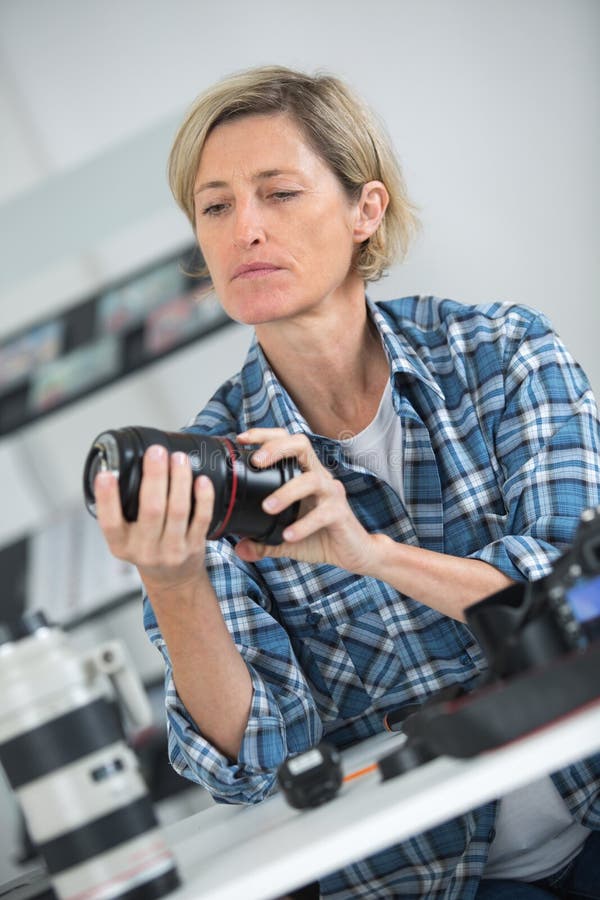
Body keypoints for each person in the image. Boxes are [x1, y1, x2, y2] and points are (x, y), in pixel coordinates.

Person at [93, 66, 600, 899]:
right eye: (215, 206)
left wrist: (371, 554)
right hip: (440, 882)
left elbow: (579, 604)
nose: (243, 229)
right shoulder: (212, 472)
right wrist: (174, 580)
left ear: (367, 211)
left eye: (278, 193)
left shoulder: (504, 356)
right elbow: (252, 764)